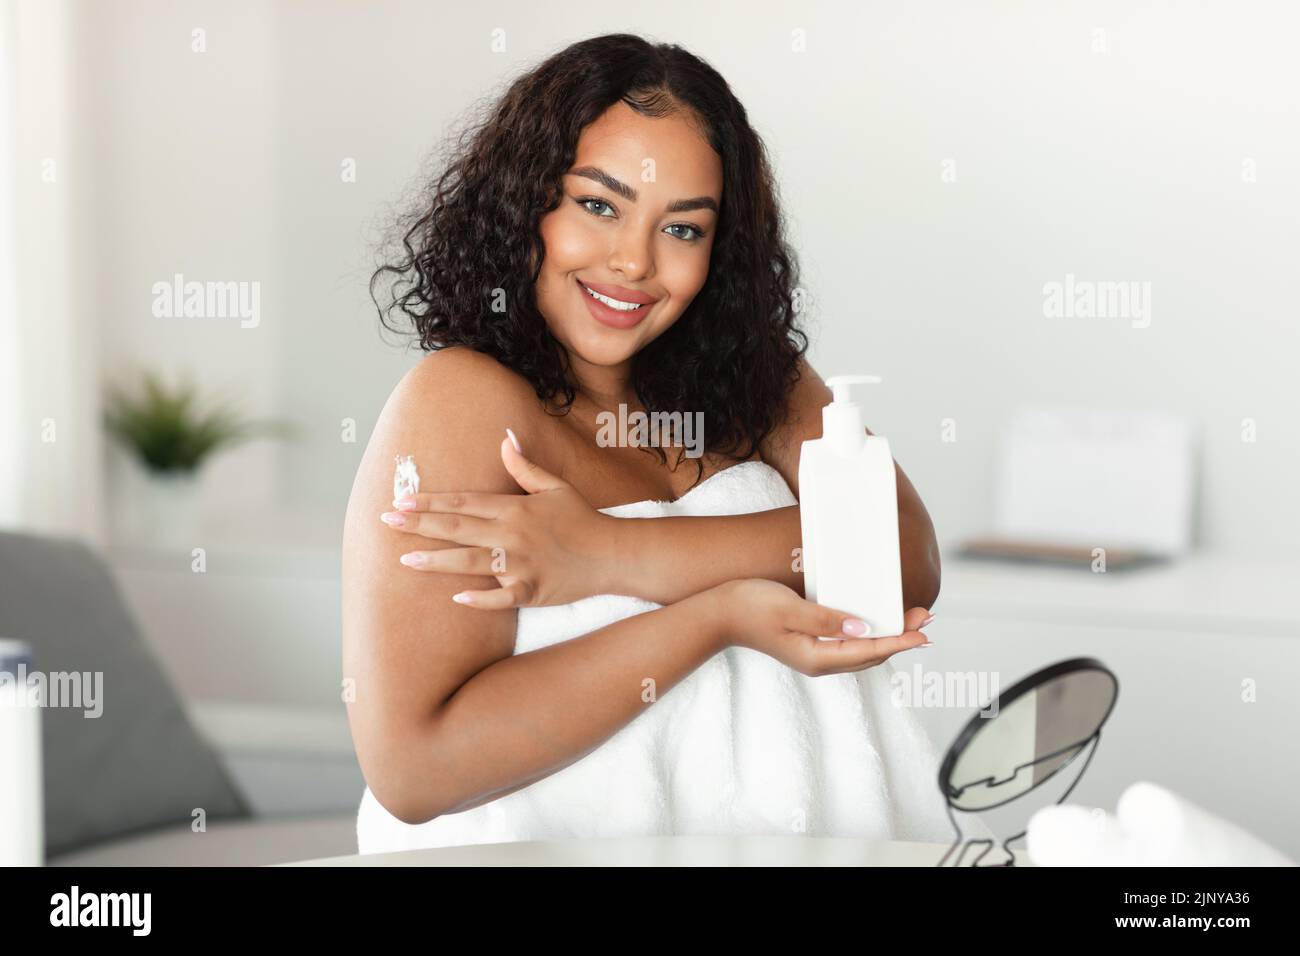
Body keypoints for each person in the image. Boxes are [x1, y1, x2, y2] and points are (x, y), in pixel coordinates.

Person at [342, 33, 951, 853]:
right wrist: (718, 616)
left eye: (684, 229)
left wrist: (606, 554)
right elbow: (414, 769)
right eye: (599, 205)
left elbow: (906, 553)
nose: (634, 262)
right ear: (526, 200)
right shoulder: (464, 401)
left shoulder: (756, 377)